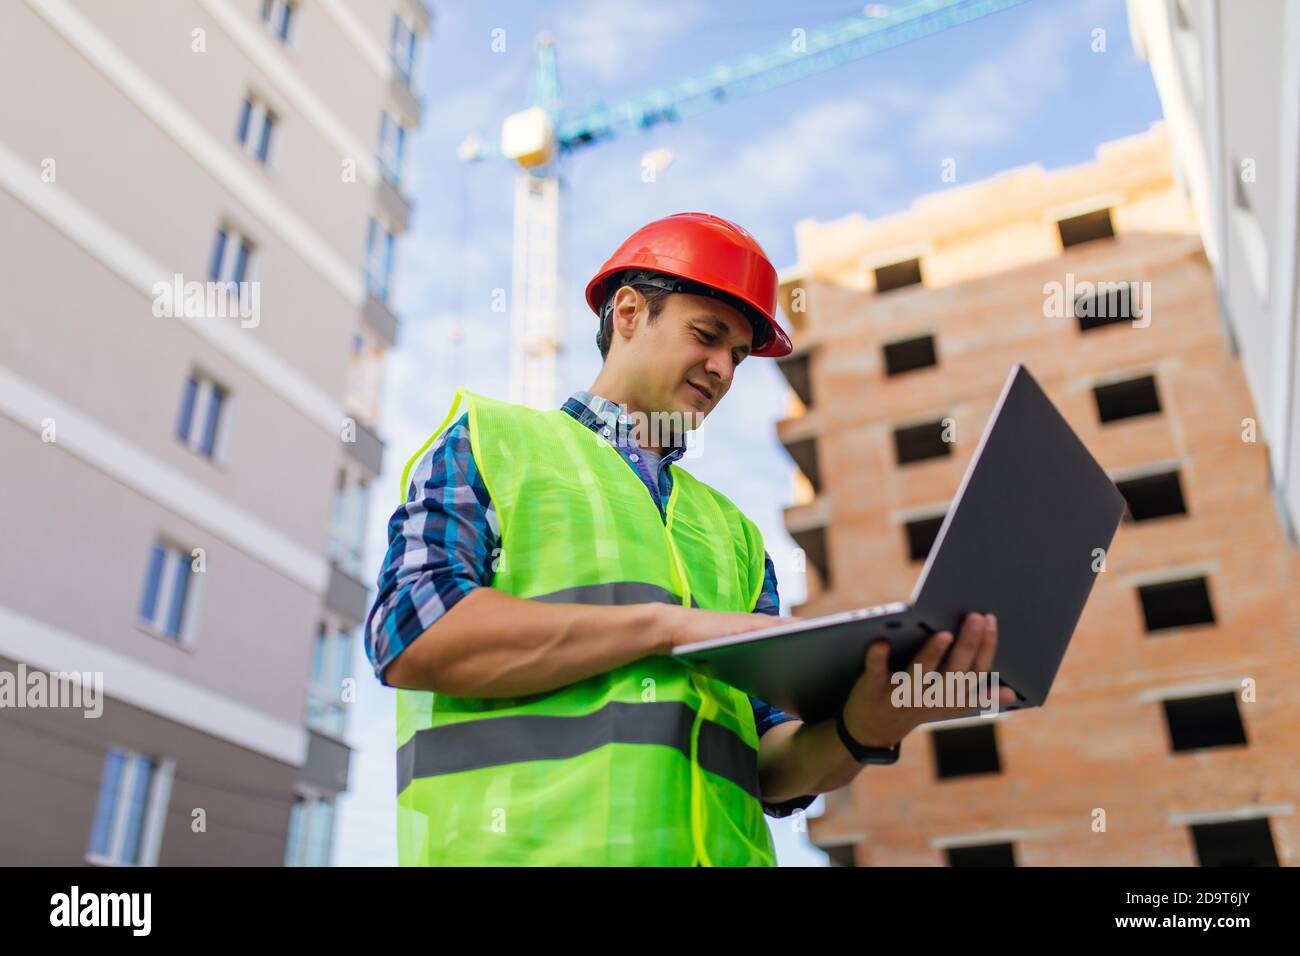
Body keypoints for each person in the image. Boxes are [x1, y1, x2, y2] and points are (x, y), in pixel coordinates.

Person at [365, 211, 1014, 866]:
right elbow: (413, 630)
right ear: (626, 312)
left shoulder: (734, 536)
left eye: (736, 355)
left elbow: (768, 763)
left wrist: (864, 729)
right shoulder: (493, 443)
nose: (723, 369)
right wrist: (666, 629)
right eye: (706, 335)